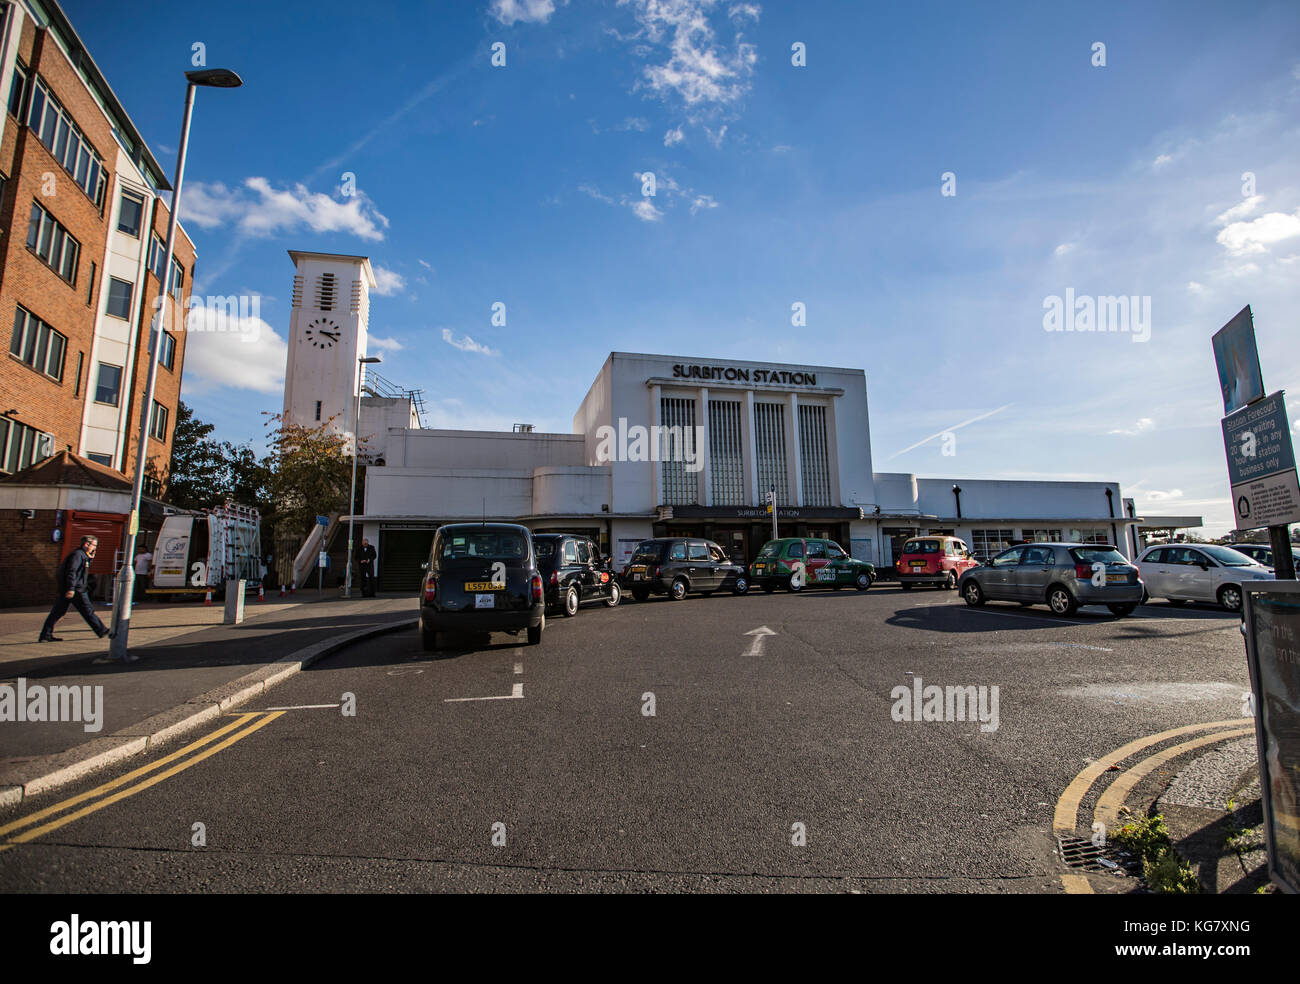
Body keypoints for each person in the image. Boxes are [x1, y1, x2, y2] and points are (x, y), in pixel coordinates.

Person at [40, 536, 112, 643]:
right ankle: (101, 630)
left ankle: (45, 635)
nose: (95, 548)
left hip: (73, 588)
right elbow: (72, 572)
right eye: (94, 545)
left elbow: (81, 570)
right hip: (76, 589)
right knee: (87, 610)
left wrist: (90, 559)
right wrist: (71, 588)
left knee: (58, 612)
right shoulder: (77, 555)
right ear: (86, 544)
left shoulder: (83, 555)